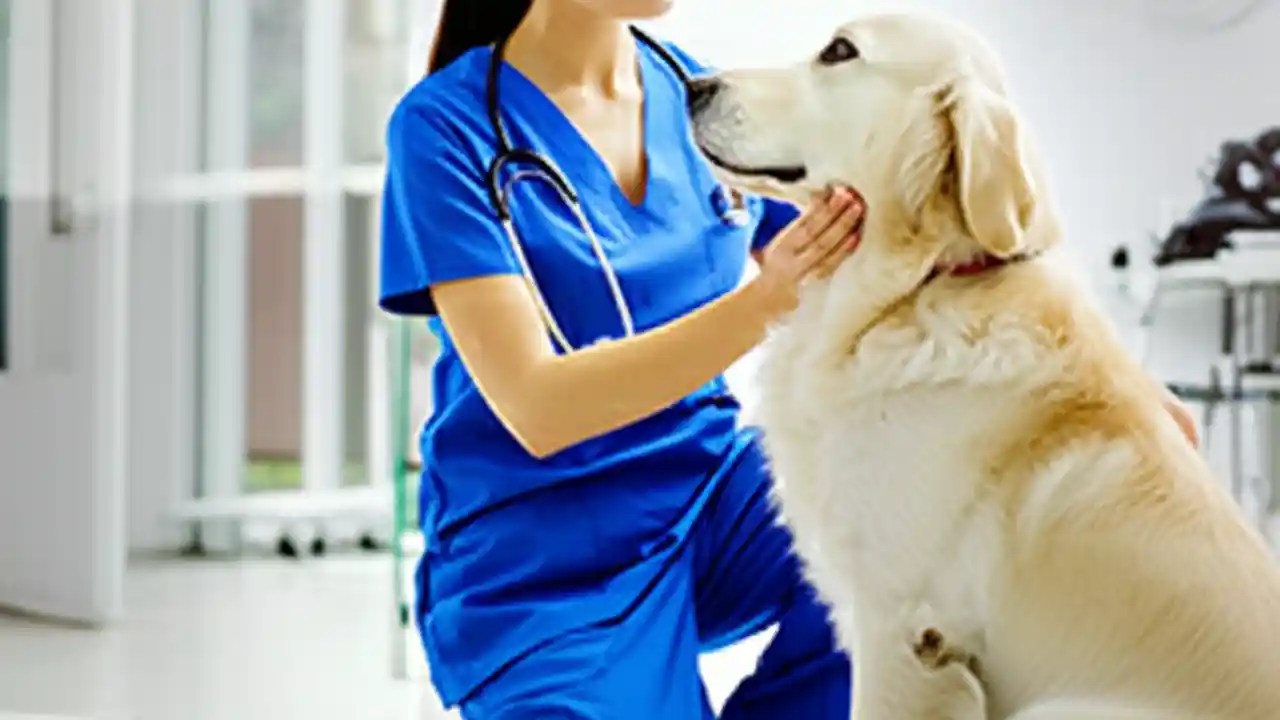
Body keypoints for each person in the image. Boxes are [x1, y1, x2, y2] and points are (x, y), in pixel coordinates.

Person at [377, 1, 1200, 717]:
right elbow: (537, 406)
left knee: (927, 596)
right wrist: (762, 303)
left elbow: (925, 243)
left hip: (710, 495)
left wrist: (1113, 386)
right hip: (544, 563)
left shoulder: (690, 96)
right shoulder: (446, 129)